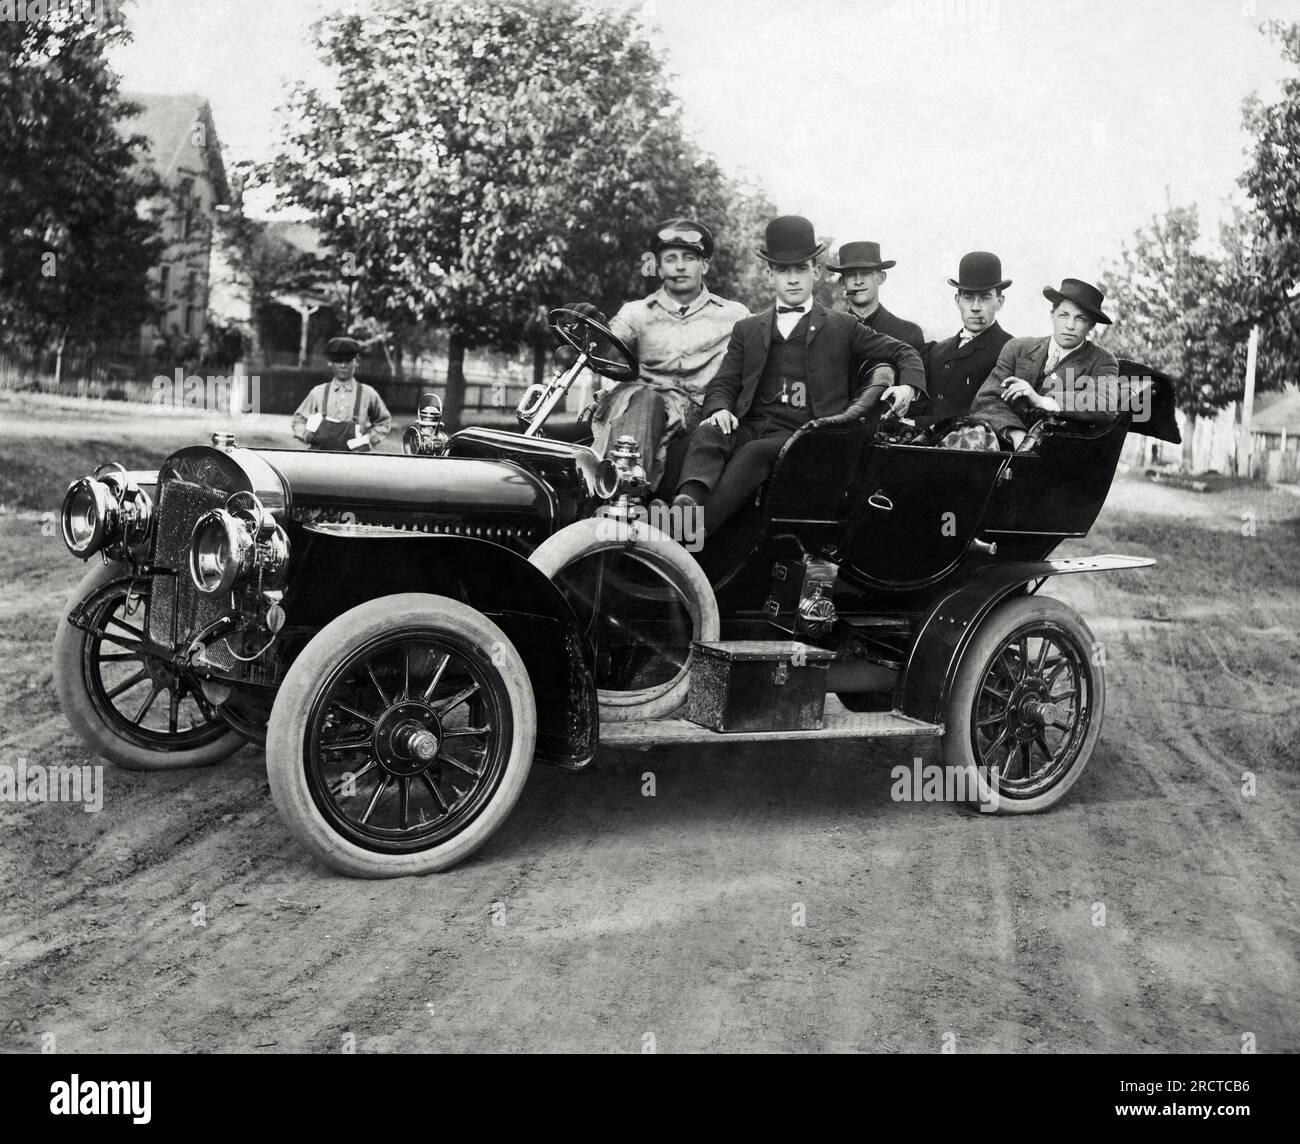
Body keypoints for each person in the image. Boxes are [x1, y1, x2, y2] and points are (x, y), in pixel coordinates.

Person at [672, 215, 926, 532]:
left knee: (752, 454)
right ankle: (685, 505)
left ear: (815, 272)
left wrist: (907, 388)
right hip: (752, 425)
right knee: (707, 433)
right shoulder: (748, 329)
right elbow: (724, 382)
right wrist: (721, 409)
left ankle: (688, 535)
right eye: (783, 270)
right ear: (770, 275)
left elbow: (905, 352)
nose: (792, 279)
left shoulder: (842, 326)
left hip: (810, 434)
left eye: (800, 269)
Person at [591, 218, 750, 493]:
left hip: (701, 418)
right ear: (658, 266)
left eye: (689, 258)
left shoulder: (735, 316)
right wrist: (592, 329)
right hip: (645, 412)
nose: (679, 266)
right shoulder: (636, 313)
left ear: (705, 265)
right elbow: (607, 356)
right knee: (645, 399)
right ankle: (624, 495)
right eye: (670, 258)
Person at [969, 278, 1119, 449]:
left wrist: (1042, 401)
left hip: (1056, 455)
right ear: (1052, 315)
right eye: (1064, 315)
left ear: (1091, 324)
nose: (1070, 326)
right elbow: (986, 399)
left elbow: (1104, 406)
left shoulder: (1102, 360)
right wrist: (1016, 433)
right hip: (1002, 443)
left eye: (1081, 319)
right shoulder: (1018, 348)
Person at [918, 251, 1014, 426]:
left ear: (999, 302)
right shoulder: (939, 350)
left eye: (985, 298)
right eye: (969, 298)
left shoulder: (1009, 349)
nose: (975, 307)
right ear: (957, 301)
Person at [291, 337, 392, 452]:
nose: (343, 365)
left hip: (354, 459)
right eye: (338, 361)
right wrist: (307, 435)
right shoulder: (318, 392)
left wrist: (367, 440)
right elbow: (298, 420)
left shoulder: (368, 393)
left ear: (357, 361)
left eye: (348, 361)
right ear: (330, 362)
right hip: (320, 457)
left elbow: (384, 422)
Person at [826, 241, 925, 352]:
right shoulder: (829, 335)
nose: (858, 281)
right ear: (842, 283)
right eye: (851, 275)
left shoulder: (908, 333)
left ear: (881, 278)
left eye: (865, 273)